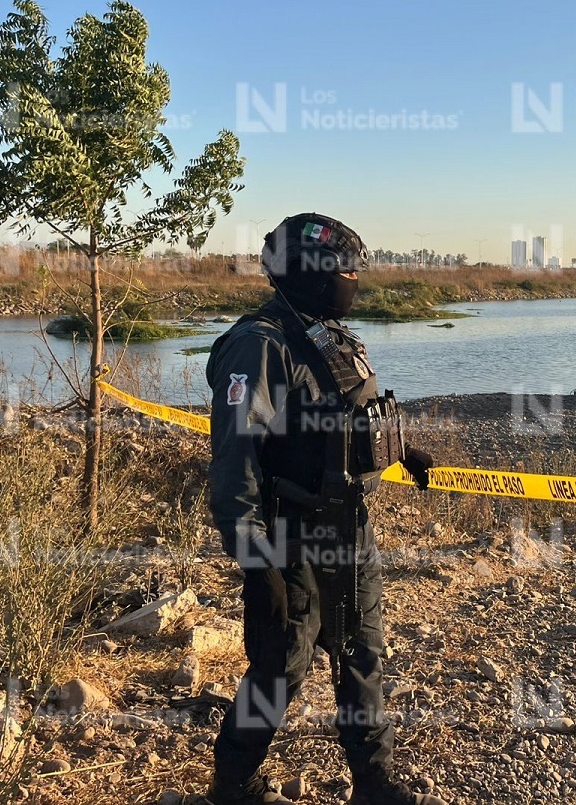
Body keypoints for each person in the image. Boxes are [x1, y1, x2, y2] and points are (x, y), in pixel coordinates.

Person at [201, 213, 445, 805]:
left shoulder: (327, 334)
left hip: (350, 527)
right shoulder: (257, 345)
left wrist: (399, 449)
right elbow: (236, 464)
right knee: (282, 667)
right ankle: (234, 782)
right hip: (289, 536)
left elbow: (342, 416)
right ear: (308, 273)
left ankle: (375, 783)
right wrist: (258, 568)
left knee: (363, 652)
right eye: (343, 271)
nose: (352, 281)